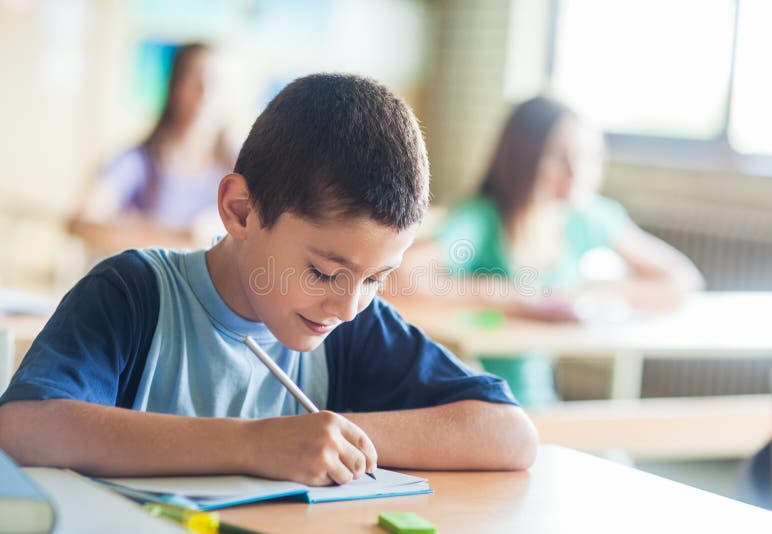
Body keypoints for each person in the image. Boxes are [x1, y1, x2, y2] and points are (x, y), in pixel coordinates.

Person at [0, 74, 537, 485]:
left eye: (377, 278)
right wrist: (254, 444)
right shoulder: (134, 294)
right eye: (323, 271)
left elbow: (510, 435)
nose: (349, 304)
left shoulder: (348, 326)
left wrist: (329, 439)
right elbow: (23, 426)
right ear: (239, 211)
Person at [389, 96, 704, 406]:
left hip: (540, 401)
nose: (576, 171)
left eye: (586, 156)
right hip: (470, 397)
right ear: (522, 157)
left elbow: (680, 278)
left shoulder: (587, 217)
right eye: (559, 157)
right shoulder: (482, 220)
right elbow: (407, 274)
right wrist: (519, 298)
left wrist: (590, 296)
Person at [70, 43, 234, 253]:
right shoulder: (137, 160)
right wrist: (180, 237)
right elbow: (81, 222)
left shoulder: (240, 164)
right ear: (173, 86)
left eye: (216, 83)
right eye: (195, 80)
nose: (205, 93)